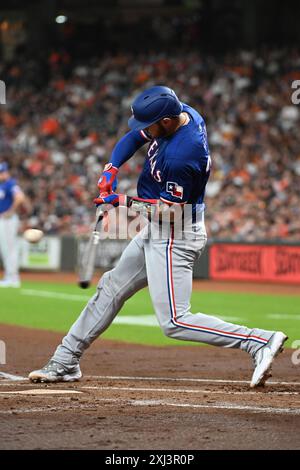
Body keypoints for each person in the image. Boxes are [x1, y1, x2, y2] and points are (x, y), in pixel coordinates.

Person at [29, 86, 288, 388]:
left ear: (165, 121)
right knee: (111, 287)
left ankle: (259, 341)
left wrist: (119, 201)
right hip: (161, 228)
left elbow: (168, 212)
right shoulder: (181, 113)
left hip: (176, 232)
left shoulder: (184, 153)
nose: (143, 130)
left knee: (175, 322)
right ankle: (65, 360)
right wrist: (112, 167)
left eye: (148, 125)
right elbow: (133, 139)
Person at [0, 162, 26, 288]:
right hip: (3, 220)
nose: (1, 175)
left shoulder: (10, 183)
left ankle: (13, 277)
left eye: (2, 172)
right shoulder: (3, 185)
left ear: (6, 172)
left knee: (10, 248)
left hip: (8, 220)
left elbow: (20, 197)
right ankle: (9, 276)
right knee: (5, 248)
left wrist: (10, 211)